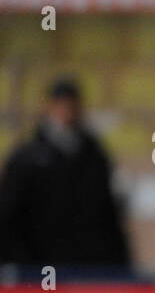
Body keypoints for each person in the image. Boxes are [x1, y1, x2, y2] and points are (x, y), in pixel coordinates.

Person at [0, 78, 131, 270]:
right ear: (51, 106)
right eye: (62, 103)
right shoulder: (27, 157)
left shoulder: (94, 153)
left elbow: (107, 211)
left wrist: (119, 262)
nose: (67, 110)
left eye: (71, 103)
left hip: (88, 264)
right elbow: (10, 215)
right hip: (40, 265)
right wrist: (18, 262)